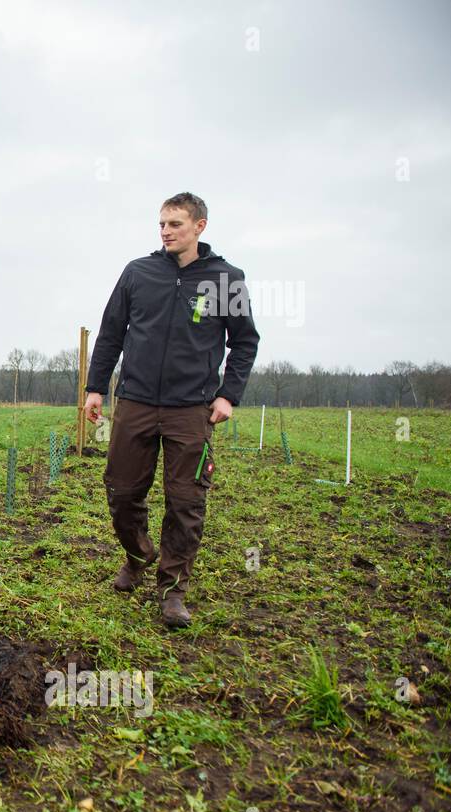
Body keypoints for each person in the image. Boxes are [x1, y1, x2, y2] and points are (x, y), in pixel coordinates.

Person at [83, 192, 259, 628]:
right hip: (137, 402)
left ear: (199, 226)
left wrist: (228, 394)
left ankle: (172, 589)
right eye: (161, 224)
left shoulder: (226, 279)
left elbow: (245, 341)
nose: (165, 231)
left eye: (175, 224)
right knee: (121, 491)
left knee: (186, 501)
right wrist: (95, 387)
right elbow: (110, 333)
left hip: (191, 409)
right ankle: (138, 553)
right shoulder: (137, 273)